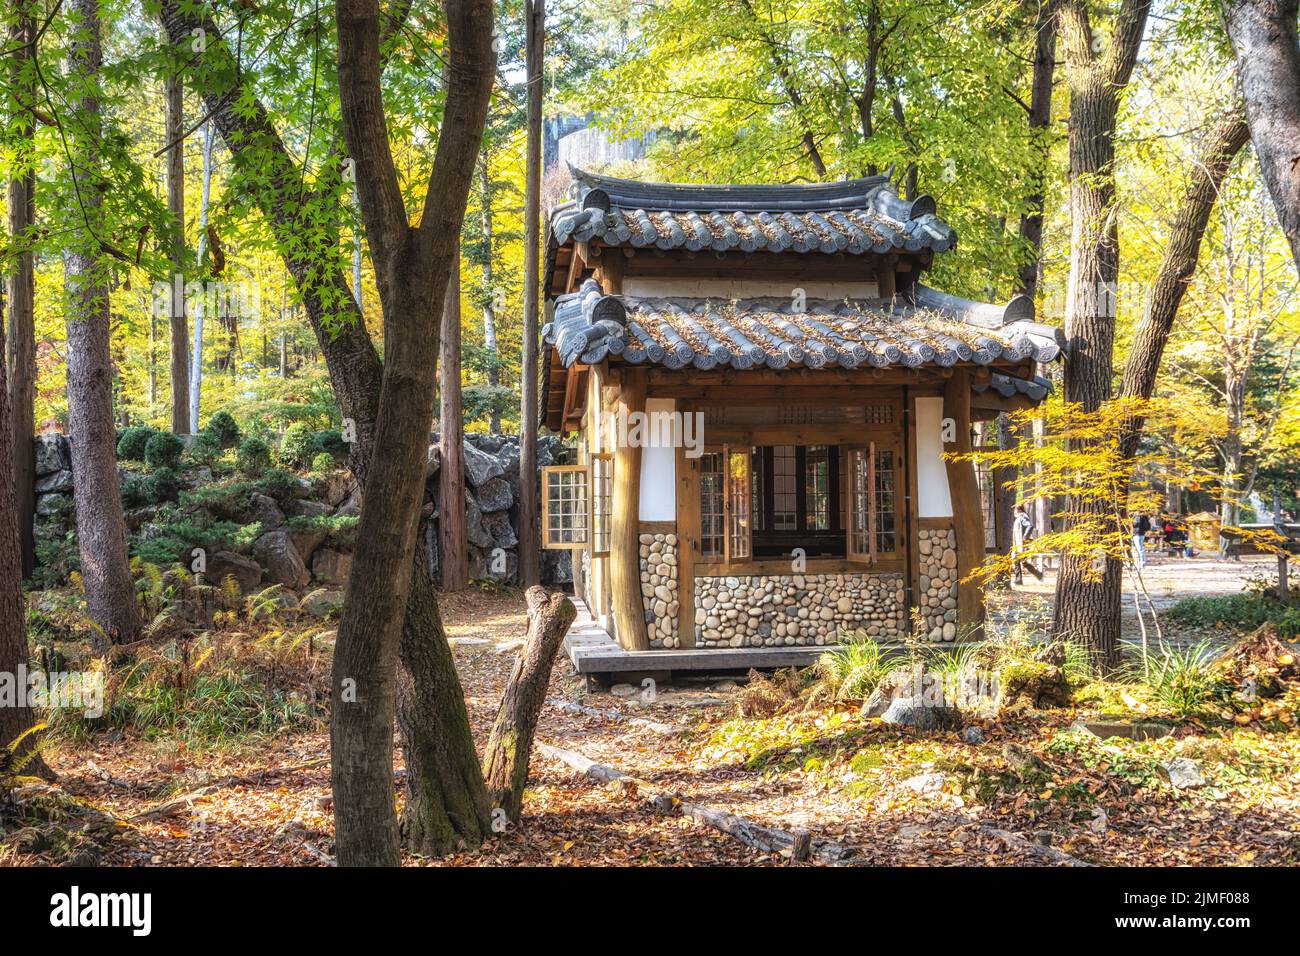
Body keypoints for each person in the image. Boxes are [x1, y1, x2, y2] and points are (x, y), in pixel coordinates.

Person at [1012, 503, 1037, 585]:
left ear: (1019, 510)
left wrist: (1025, 537)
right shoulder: (1020, 518)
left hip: (1021, 543)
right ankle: (1038, 575)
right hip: (1018, 544)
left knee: (1018, 561)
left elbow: (1030, 526)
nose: (1014, 512)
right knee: (1020, 561)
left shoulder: (1022, 517)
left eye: (1015, 510)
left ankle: (1019, 579)